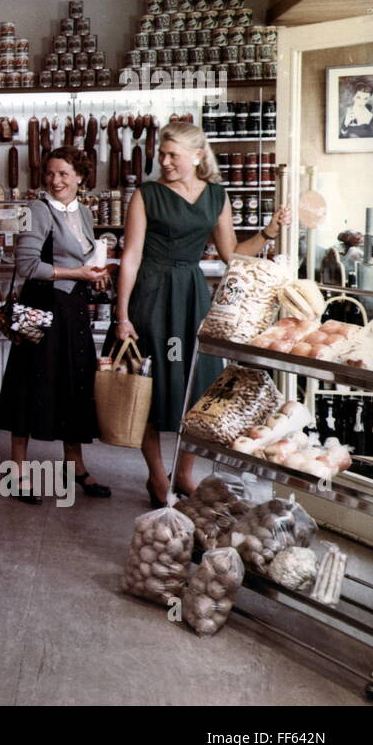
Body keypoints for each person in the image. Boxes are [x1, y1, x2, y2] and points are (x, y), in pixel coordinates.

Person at [114, 121, 291, 503]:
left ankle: (184, 474)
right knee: (150, 386)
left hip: (193, 295)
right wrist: (123, 315)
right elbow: (130, 257)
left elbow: (231, 255)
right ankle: (157, 478)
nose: (164, 161)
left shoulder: (217, 196)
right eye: (161, 154)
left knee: (200, 388)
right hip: (153, 293)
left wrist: (269, 232)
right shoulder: (147, 194)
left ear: (197, 155)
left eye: (172, 154)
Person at [0, 147, 111, 503]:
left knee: (75, 385)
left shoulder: (85, 213)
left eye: (63, 174)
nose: (55, 180)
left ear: (80, 177)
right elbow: (29, 266)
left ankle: (74, 466)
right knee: (27, 387)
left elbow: (86, 257)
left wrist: (96, 276)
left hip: (72, 308)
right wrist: (77, 272)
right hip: (39, 306)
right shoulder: (38, 210)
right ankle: (16, 473)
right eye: (50, 173)